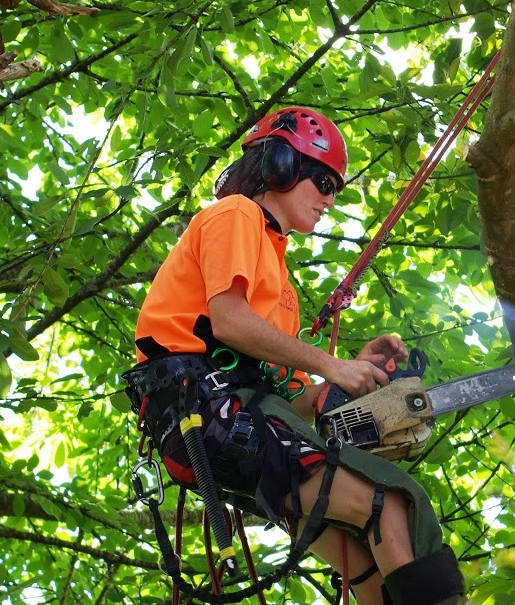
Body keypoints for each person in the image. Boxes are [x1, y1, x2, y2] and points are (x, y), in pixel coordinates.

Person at [125, 107, 466, 605]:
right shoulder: (236, 214)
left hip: (233, 425)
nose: (329, 198)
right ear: (281, 165)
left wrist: (347, 380)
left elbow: (284, 402)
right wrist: (331, 365)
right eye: (323, 180)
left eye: (335, 189)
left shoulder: (279, 280)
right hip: (206, 413)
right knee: (387, 503)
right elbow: (229, 320)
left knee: (364, 559)